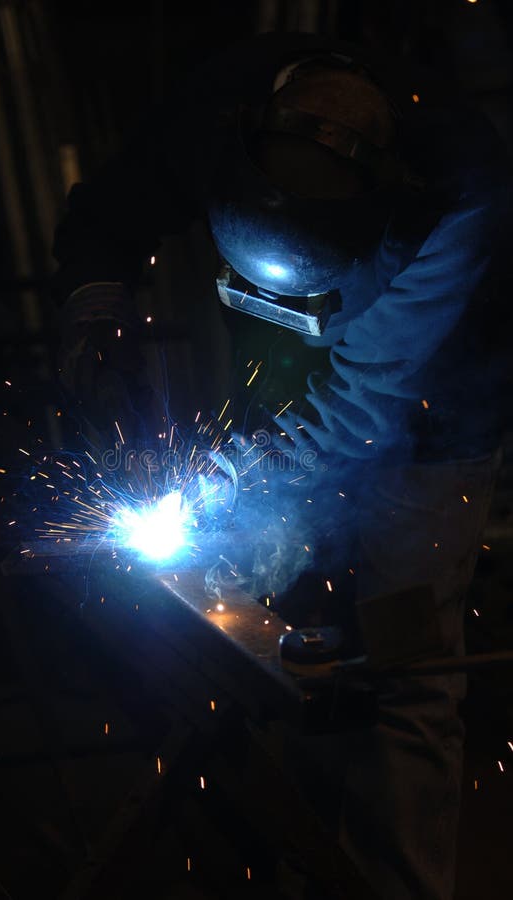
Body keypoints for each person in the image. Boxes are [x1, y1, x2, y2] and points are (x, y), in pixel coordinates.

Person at [50, 31, 512, 900]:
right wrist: (94, 310)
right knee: (279, 651)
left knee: (397, 670)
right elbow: (108, 214)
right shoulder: (209, 110)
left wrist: (230, 479)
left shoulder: (462, 188)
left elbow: (364, 403)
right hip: (278, 381)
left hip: (429, 421)